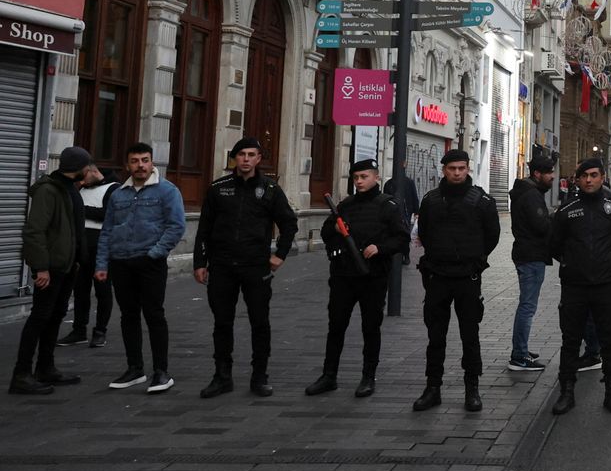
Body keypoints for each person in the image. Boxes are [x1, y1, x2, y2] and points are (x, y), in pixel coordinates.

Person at [194, 138, 298, 399]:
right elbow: (204, 228)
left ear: (259, 158)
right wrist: (200, 263)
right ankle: (222, 376)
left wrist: (280, 255)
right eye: (242, 154)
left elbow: (289, 223)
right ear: (235, 158)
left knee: (259, 322)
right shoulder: (218, 188)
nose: (246, 159)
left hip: (256, 265)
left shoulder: (270, 189)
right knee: (222, 322)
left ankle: (259, 376)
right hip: (222, 265)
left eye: (252, 155)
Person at [305, 160, 410, 398]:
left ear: (376, 177)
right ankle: (329, 375)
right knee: (336, 326)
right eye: (356, 178)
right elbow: (326, 232)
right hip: (343, 276)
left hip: (372, 276)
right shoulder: (345, 205)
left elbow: (401, 238)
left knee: (370, 327)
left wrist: (380, 248)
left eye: (364, 177)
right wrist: (336, 237)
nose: (359, 181)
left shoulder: (388, 206)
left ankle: (368, 377)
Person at [413, 150, 500, 413]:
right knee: (435, 336)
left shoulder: (482, 201)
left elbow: (492, 236)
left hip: (467, 277)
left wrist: (474, 259)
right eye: (452, 168)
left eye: (461, 168)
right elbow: (424, 233)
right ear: (444, 170)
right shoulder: (430, 200)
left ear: (468, 168)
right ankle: (432, 388)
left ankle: (472, 389)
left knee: (469, 335)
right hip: (437, 276)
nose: (457, 173)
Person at [97, 143, 186, 393]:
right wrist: (102, 263)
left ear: (152, 162)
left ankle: (161, 372)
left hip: (150, 263)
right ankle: (135, 368)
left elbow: (176, 226)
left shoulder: (167, 191)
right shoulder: (118, 194)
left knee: (154, 315)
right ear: (127, 165)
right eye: (135, 161)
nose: (140, 166)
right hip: (121, 262)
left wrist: (154, 254)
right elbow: (107, 230)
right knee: (128, 316)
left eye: (145, 160)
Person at [549, 157, 611, 415]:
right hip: (574, 286)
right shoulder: (566, 211)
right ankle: (566, 392)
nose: (589, 180)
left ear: (602, 178)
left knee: (609, 340)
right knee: (570, 340)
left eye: (594, 175)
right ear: (577, 180)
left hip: (605, 286)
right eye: (584, 176)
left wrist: (608, 262)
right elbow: (554, 245)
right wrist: (572, 263)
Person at [12, 146, 93, 394]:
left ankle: (45, 367)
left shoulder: (70, 189)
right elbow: (34, 231)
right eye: (86, 165)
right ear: (78, 167)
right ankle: (21, 375)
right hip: (51, 267)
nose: (89, 169)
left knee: (56, 315)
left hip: (67, 266)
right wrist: (41, 268)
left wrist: (77, 260)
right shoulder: (49, 190)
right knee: (40, 317)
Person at [507, 155, 557, 374]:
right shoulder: (531, 195)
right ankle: (519, 356)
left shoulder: (525, 192)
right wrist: (554, 218)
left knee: (526, 305)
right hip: (531, 255)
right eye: (549, 172)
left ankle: (521, 350)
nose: (553, 176)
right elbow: (541, 226)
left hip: (525, 253)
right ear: (537, 174)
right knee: (527, 307)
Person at [60, 163, 118, 348]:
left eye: (83, 176)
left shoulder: (114, 188)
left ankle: (100, 331)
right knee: (80, 291)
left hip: (101, 248)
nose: (81, 180)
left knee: (102, 291)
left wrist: (80, 209)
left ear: (93, 171)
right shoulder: (82, 188)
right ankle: (79, 330)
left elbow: (108, 214)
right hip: (81, 248)